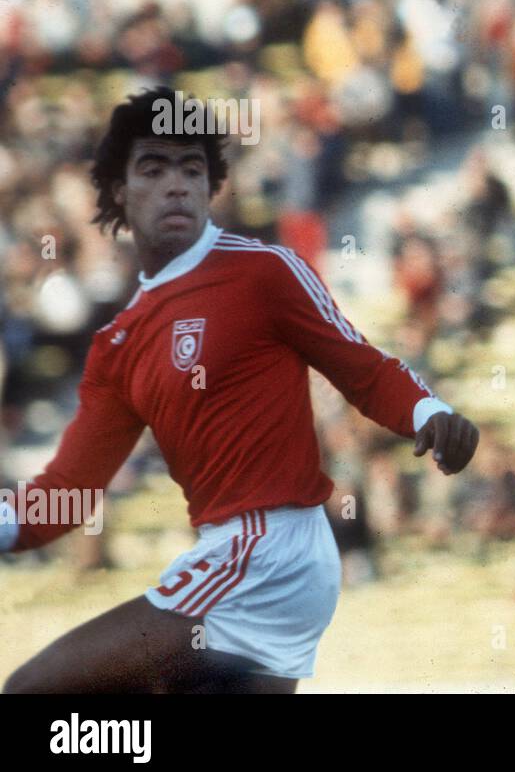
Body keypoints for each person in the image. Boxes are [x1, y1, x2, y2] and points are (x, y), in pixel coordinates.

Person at [1, 86, 479, 693]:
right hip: (246, 559)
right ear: (119, 191)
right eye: (154, 168)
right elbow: (67, 494)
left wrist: (429, 412)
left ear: (210, 186)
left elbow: (361, 365)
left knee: (32, 691)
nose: (177, 184)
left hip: (265, 552)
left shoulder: (262, 271)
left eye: (192, 169)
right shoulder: (116, 345)